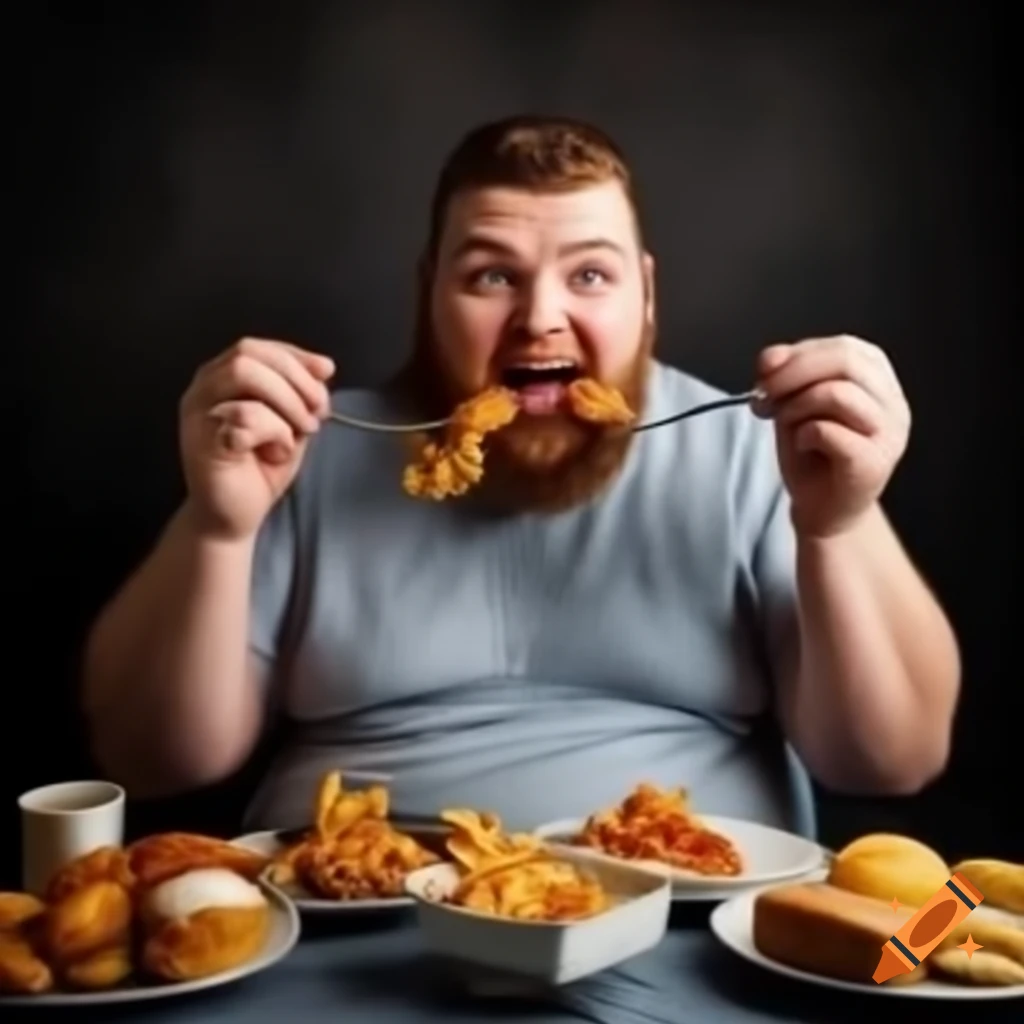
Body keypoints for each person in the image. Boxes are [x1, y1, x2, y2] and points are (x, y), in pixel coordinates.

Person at [80, 115, 960, 838]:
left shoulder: (755, 451)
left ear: (645, 295)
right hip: (353, 935)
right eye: (493, 274)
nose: (542, 318)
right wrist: (217, 524)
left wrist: (838, 525)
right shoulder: (295, 453)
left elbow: (892, 759)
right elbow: (154, 761)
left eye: (589, 274)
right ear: (431, 292)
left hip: (690, 933)